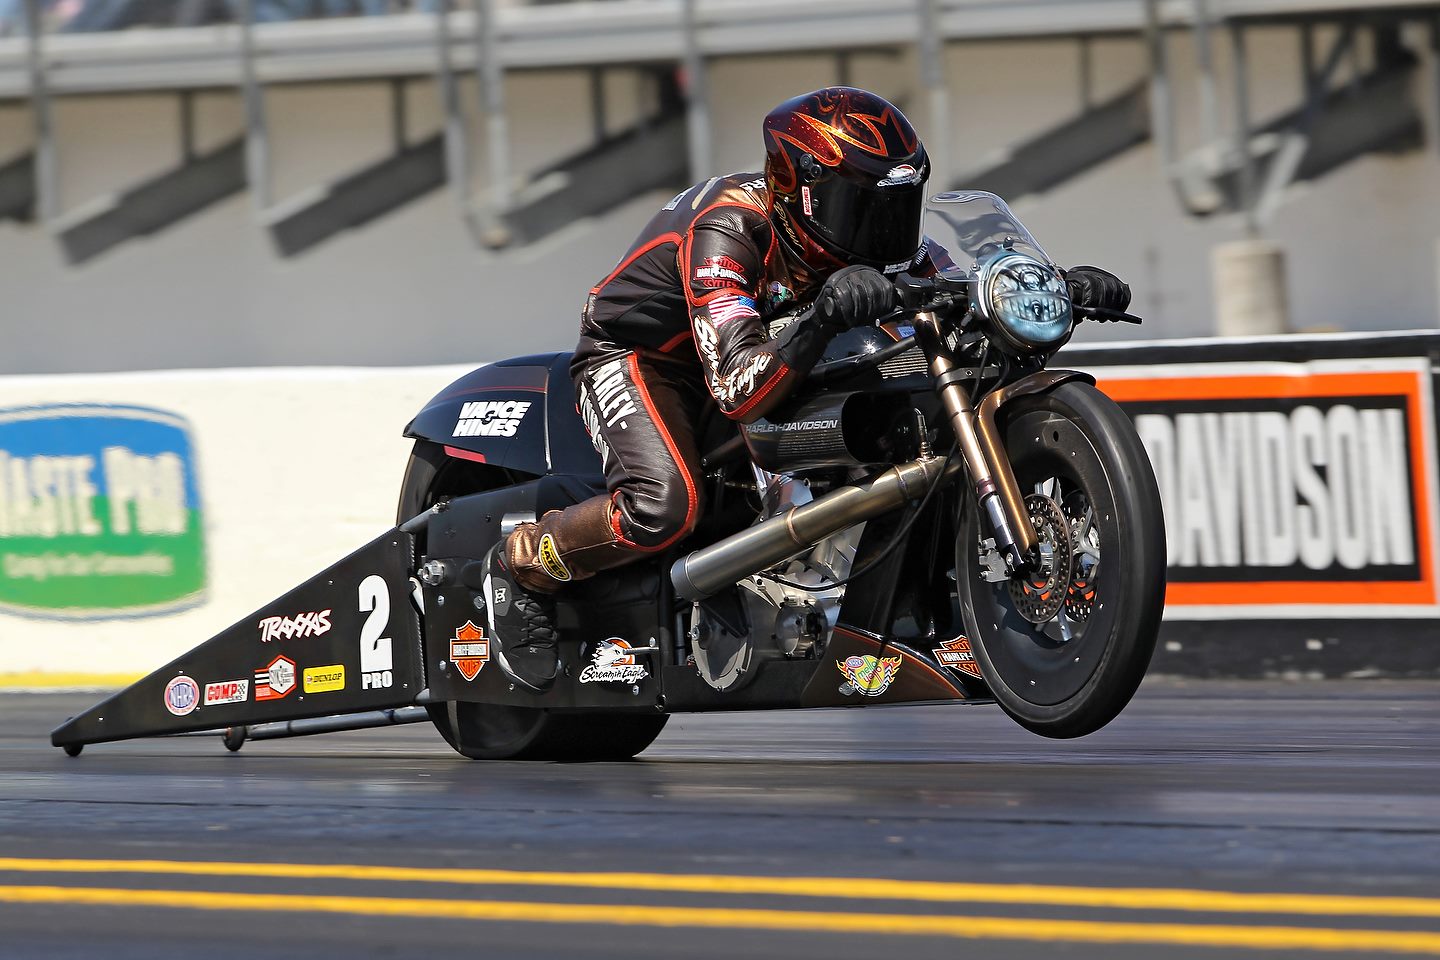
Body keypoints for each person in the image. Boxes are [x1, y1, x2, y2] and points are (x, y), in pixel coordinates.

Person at [481, 86, 1131, 691]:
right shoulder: (727, 230)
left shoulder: (884, 245)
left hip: (761, 351)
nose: (879, 231)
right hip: (646, 359)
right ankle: (521, 565)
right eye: (860, 206)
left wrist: (1048, 286)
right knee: (662, 507)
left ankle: (922, 612)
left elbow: (957, 288)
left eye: (894, 207)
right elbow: (737, 387)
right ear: (799, 191)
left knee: (917, 408)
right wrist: (823, 316)